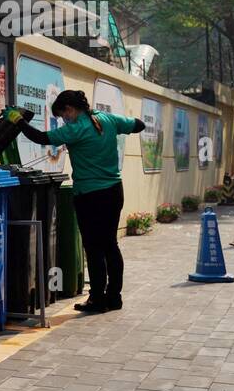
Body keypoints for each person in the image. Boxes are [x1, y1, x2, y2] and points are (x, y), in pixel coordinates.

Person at [10, 90, 145, 314]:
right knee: (110, 244)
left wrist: (18, 121)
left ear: (70, 110)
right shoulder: (106, 119)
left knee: (93, 248)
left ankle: (97, 300)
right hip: (113, 191)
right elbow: (138, 124)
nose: (64, 120)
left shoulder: (75, 129)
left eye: (63, 115)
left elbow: (41, 138)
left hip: (90, 196)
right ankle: (114, 297)